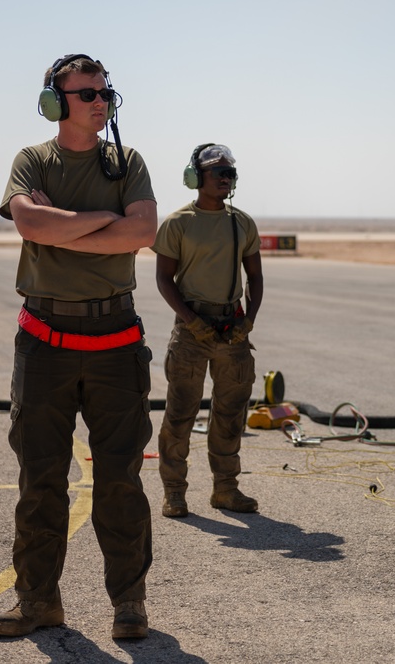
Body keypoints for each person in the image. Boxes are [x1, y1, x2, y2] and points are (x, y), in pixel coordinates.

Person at [0, 54, 157, 640]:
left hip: (115, 342)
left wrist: (72, 224)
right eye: (85, 94)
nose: (99, 102)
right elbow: (33, 227)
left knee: (120, 481)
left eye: (104, 92)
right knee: (40, 481)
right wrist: (103, 219)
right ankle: (38, 602)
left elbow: (142, 233)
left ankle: (129, 603)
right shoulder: (32, 160)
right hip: (45, 345)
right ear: (56, 103)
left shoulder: (127, 162)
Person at [152, 144, 263, 518]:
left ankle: (226, 490)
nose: (225, 177)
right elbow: (164, 279)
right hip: (191, 332)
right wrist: (191, 321)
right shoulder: (177, 223)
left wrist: (248, 321)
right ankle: (174, 492)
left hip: (232, 330)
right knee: (180, 413)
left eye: (229, 172)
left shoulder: (242, 222)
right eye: (217, 171)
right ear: (195, 178)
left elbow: (256, 278)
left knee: (231, 413)